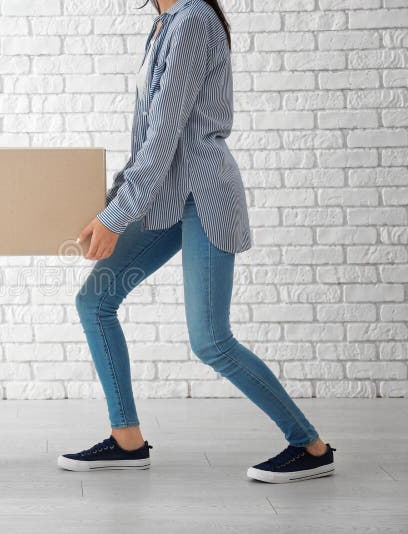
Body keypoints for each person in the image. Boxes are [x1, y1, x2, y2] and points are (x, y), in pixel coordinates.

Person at [59, 0, 336, 484]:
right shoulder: (165, 23)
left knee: (211, 341)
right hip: (167, 197)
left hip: (204, 196)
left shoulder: (193, 20)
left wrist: (116, 215)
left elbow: (165, 134)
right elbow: (146, 138)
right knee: (95, 301)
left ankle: (310, 446)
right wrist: (113, 203)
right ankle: (127, 441)